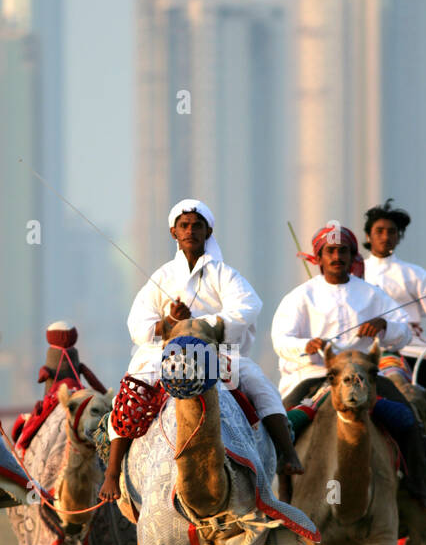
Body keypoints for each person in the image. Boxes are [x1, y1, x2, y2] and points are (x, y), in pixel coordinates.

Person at [99, 199, 302, 501]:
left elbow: (248, 307)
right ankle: (113, 473)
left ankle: (287, 456)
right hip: (165, 354)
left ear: (208, 231)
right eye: (184, 226)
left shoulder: (225, 275)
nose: (190, 230)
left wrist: (199, 324)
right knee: (131, 393)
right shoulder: (162, 277)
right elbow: (138, 323)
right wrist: (169, 323)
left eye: (196, 225)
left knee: (260, 384)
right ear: (174, 232)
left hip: (216, 351)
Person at [271, 221, 426, 501]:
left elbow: (404, 333)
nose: (337, 257)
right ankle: (284, 496)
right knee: (281, 425)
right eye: (330, 251)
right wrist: (305, 344)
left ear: (352, 255)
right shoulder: (301, 297)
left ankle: (418, 490)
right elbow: (280, 339)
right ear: (319, 257)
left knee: (410, 420)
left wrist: (384, 324)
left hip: (364, 378)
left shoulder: (372, 295)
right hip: (317, 376)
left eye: (342, 250)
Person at [362, 198, 426, 411]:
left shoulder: (413, 273)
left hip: (411, 354)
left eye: (392, 231)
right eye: (379, 231)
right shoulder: (354, 275)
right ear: (368, 235)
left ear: (399, 237)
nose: (386, 237)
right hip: (362, 354)